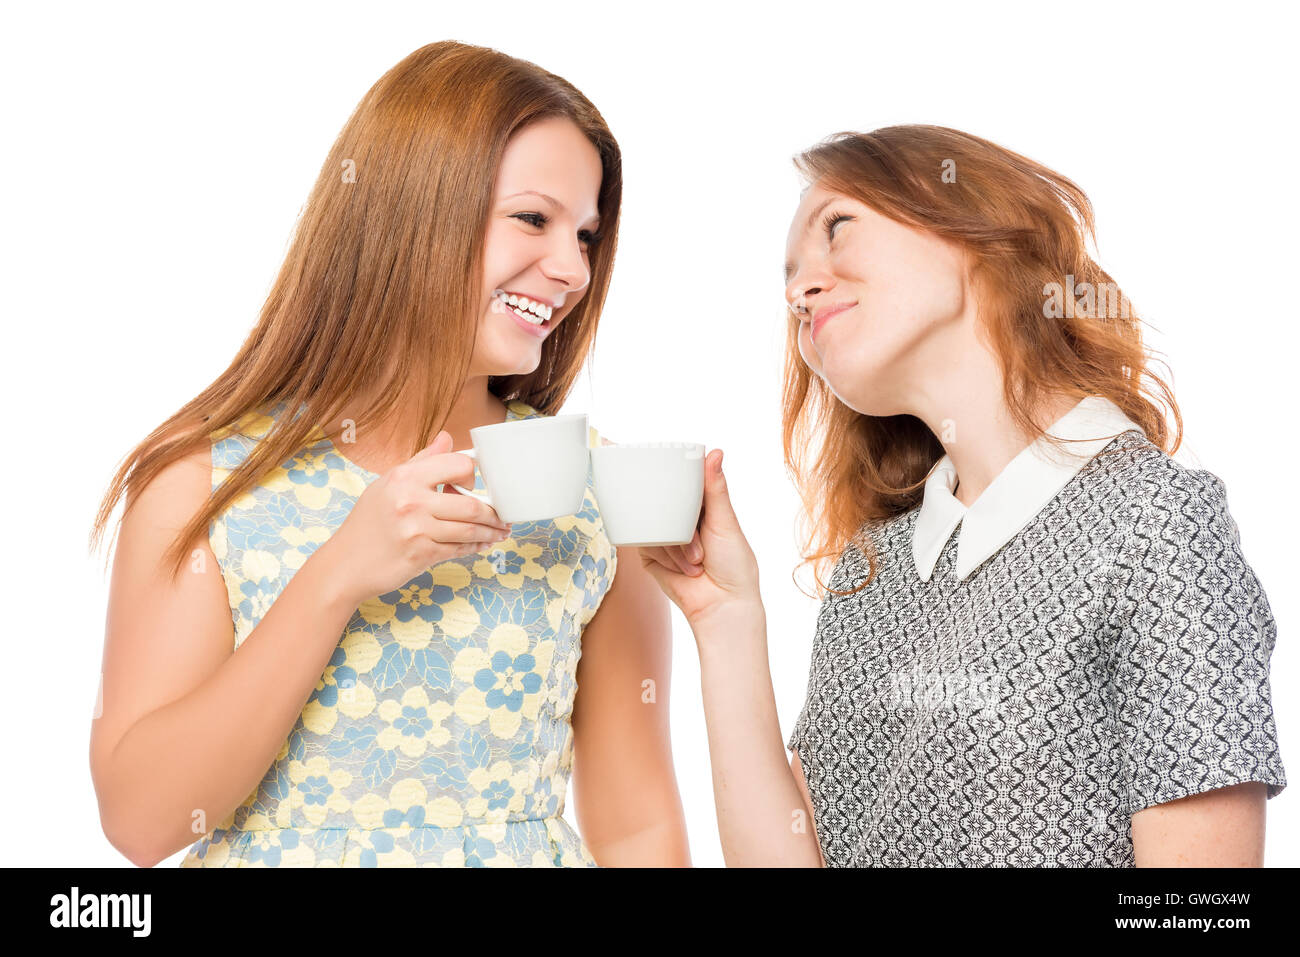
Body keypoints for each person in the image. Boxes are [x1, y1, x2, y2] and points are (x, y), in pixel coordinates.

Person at [88, 41, 690, 867]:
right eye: (533, 218)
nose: (572, 269)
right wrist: (339, 574)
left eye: (585, 235)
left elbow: (638, 826)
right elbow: (142, 820)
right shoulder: (204, 483)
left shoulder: (593, 488)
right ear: (412, 209)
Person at [641, 124, 1286, 867]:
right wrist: (725, 616)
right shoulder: (873, 565)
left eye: (837, 228)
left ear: (973, 228)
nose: (799, 289)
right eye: (789, 274)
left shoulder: (1153, 520)